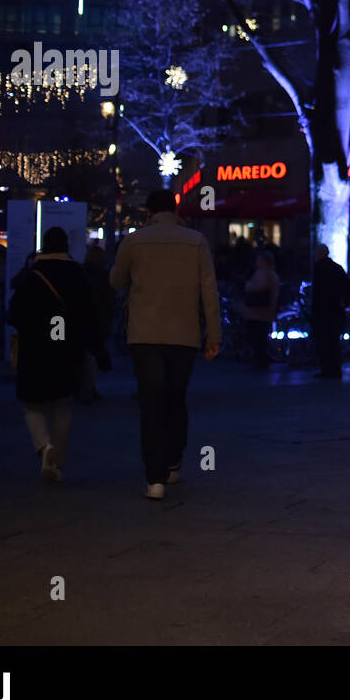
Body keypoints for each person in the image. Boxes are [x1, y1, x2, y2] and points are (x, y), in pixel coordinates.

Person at [109, 189, 221, 500]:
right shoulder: (196, 241)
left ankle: (154, 477)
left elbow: (116, 281)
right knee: (176, 397)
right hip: (183, 333)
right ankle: (174, 458)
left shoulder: (134, 241)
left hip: (145, 333)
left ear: (149, 211)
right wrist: (214, 335)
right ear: (175, 209)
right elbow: (209, 292)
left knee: (151, 403)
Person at [6, 227, 99, 483]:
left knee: (31, 405)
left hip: (34, 347)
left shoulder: (31, 274)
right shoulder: (76, 273)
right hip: (66, 348)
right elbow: (89, 314)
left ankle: (43, 446)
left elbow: (13, 313)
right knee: (62, 404)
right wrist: (97, 349)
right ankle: (57, 460)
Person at [77, 245, 115, 403]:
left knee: (83, 356)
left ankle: (82, 388)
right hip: (98, 320)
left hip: (82, 319)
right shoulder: (104, 276)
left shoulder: (81, 273)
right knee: (91, 355)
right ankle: (88, 389)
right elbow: (108, 301)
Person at [311, 243, 350, 379]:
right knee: (334, 342)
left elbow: (317, 293)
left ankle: (327, 369)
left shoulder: (319, 269)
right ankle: (336, 368)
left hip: (322, 311)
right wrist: (343, 304)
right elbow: (347, 288)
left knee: (324, 342)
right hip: (336, 310)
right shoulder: (337, 268)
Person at [243, 250, 281, 369]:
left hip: (258, 311)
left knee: (256, 336)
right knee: (261, 336)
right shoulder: (272, 274)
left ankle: (260, 360)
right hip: (266, 311)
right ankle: (262, 359)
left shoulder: (263, 273)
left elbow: (256, 287)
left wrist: (248, 285)